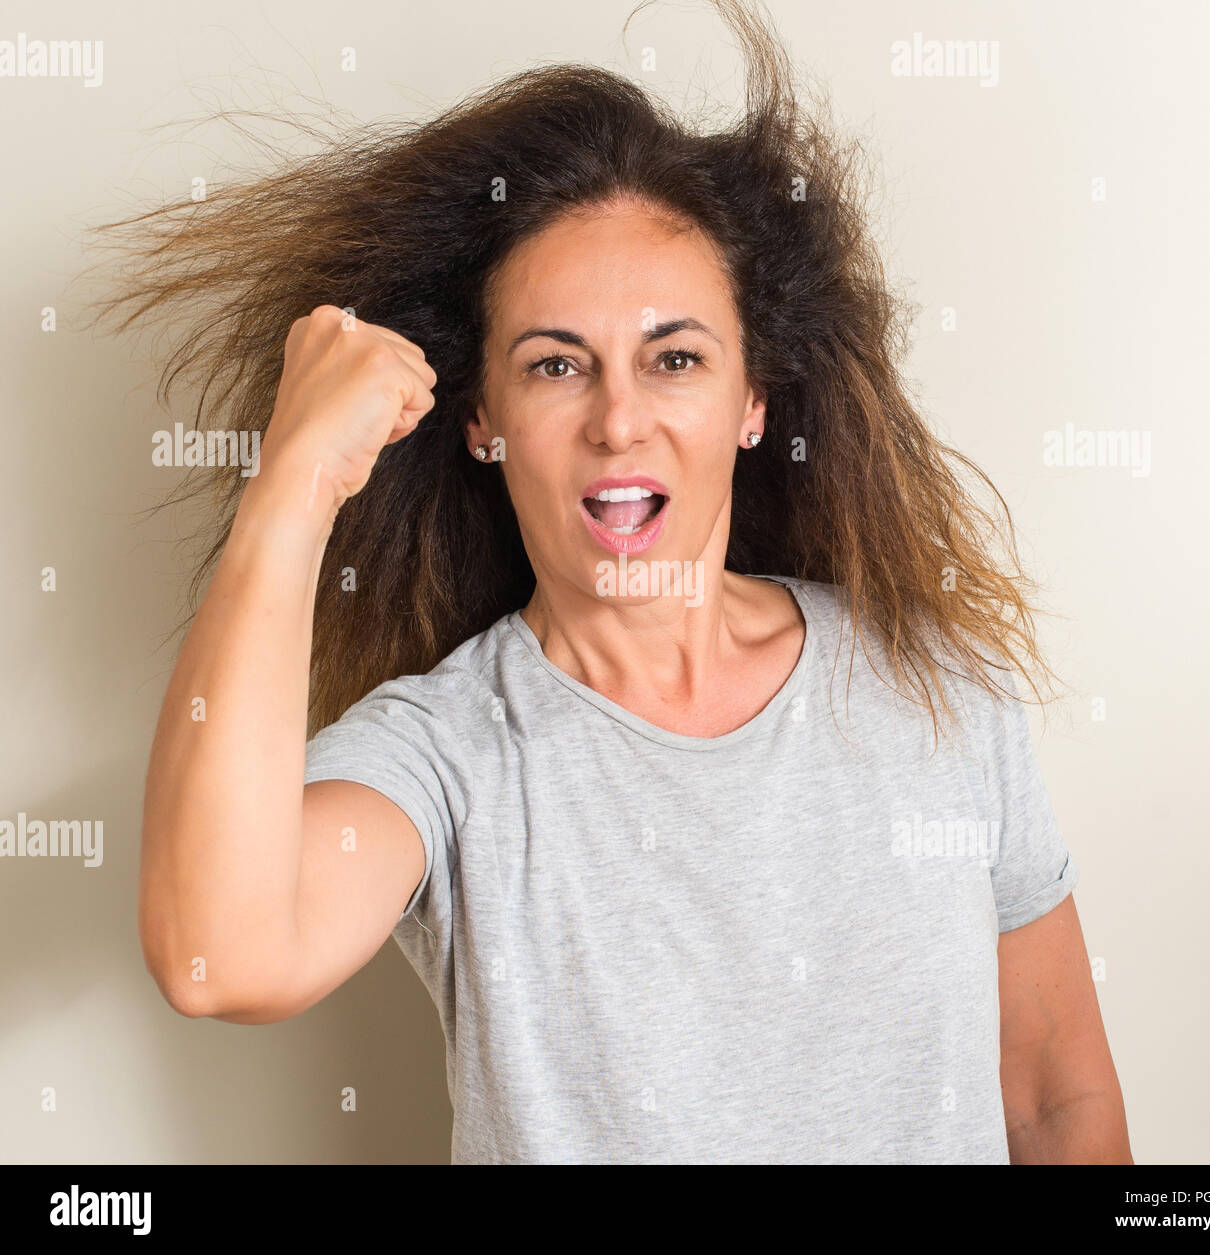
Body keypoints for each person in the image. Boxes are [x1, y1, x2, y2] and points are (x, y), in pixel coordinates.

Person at [114, 0, 1131, 1163]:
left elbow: (1059, 1101)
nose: (619, 419)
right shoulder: (448, 754)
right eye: (557, 364)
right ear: (485, 419)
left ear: (753, 402)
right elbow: (217, 955)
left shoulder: (934, 684)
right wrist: (293, 484)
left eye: (675, 358)